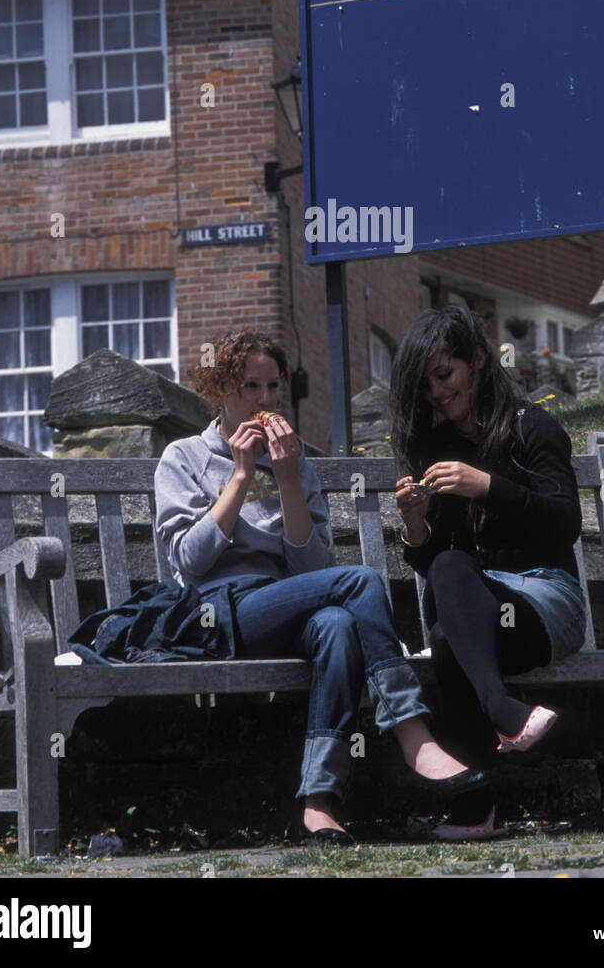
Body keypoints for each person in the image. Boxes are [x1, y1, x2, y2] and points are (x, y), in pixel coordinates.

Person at [154, 327, 488, 845]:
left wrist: (287, 479)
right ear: (221, 388)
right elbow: (190, 562)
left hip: (284, 607)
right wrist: (241, 479)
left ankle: (319, 803)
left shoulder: (294, 460)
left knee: (335, 624)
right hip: (213, 613)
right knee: (359, 581)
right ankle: (411, 730)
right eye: (250, 388)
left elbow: (312, 569)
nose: (265, 402)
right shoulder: (183, 457)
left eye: (273, 389)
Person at [390, 306, 587, 840]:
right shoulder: (435, 450)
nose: (435, 392)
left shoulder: (533, 427)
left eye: (444, 374)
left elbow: (565, 521)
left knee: (450, 634)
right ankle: (505, 724)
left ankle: (474, 804)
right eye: (425, 382)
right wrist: (415, 530)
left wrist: (488, 486)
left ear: (478, 359)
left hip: (546, 600)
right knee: (448, 620)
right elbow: (442, 571)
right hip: (478, 613)